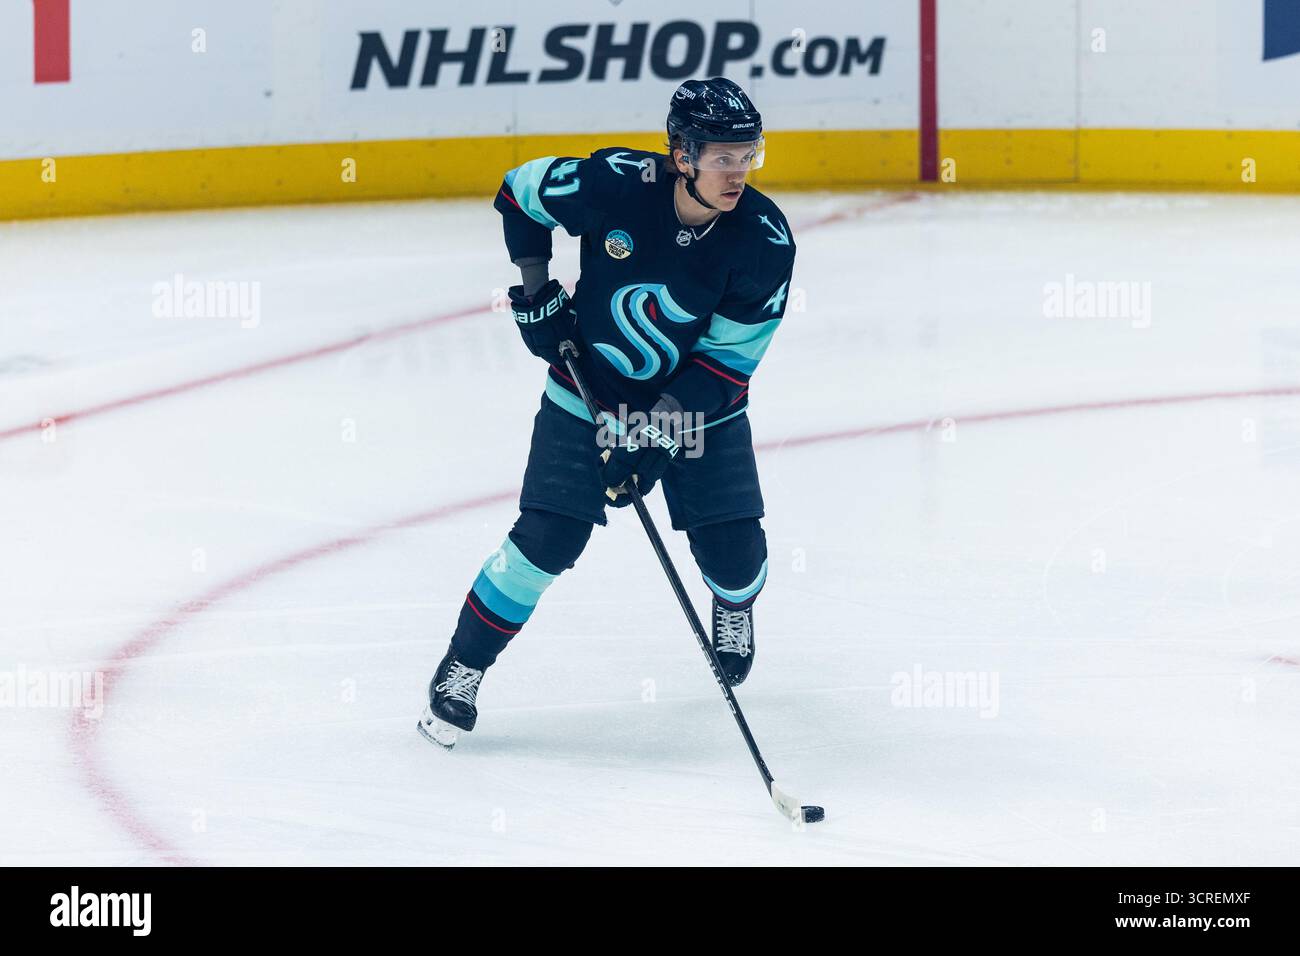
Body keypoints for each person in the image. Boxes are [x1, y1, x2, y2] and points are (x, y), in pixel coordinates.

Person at [418, 77, 797, 749]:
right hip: (584, 396)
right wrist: (536, 292)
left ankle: (734, 604)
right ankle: (463, 666)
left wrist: (654, 434)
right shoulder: (616, 183)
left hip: (699, 417)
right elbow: (520, 193)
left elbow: (725, 365)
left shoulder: (764, 241)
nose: (738, 173)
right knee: (545, 541)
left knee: (736, 558)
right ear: (682, 155)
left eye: (748, 156)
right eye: (722, 158)